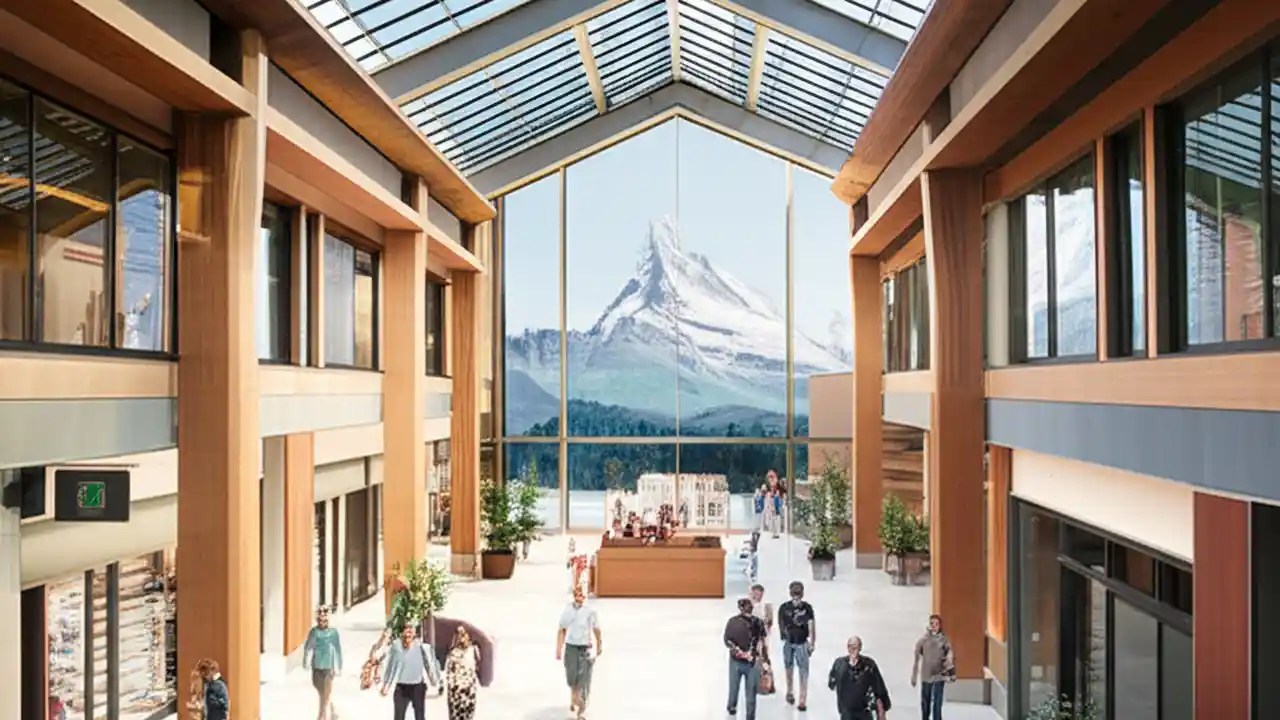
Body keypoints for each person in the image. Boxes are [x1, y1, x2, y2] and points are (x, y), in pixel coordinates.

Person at [556, 586, 602, 720]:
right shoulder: (568, 611)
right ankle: (574, 697)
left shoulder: (590, 611)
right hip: (571, 647)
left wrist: (599, 644)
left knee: (584, 679)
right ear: (574, 596)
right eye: (577, 595)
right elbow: (562, 629)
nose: (579, 598)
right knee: (572, 677)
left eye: (582, 595)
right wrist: (559, 648)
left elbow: (596, 629)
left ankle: (581, 709)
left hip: (585, 648)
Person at [380, 624, 436, 720]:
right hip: (401, 688)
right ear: (402, 632)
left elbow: (428, 663)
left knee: (420, 716)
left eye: (411, 629)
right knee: (399, 717)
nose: (409, 631)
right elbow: (391, 666)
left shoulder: (420, 645)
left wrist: (434, 680)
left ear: (415, 632)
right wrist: (386, 685)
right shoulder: (396, 646)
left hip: (417, 686)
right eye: (406, 629)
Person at [828, 637, 891, 720]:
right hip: (847, 710)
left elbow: (879, 688)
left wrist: (881, 709)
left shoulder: (869, 665)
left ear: (860, 648)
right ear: (847, 647)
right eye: (851, 647)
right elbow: (832, 683)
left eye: (856, 647)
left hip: (864, 710)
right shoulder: (839, 664)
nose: (854, 650)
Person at [724, 597, 765, 719]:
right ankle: (748, 715)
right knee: (750, 691)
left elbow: (727, 641)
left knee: (734, 686)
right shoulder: (758, 622)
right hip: (751, 661)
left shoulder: (732, 622)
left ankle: (732, 708)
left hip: (739, 660)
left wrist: (740, 652)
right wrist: (761, 657)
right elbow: (762, 642)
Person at [778, 580, 816, 711]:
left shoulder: (807, 608)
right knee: (788, 668)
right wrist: (784, 636)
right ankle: (789, 691)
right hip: (789, 642)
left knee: (803, 671)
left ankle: (802, 699)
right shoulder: (784, 608)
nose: (796, 597)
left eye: (798, 594)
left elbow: (811, 625)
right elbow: (781, 625)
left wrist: (812, 642)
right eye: (794, 594)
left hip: (801, 643)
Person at [911, 614, 956, 720]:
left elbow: (950, 655)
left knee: (937, 701)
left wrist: (951, 672)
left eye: (937, 624)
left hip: (939, 674)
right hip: (926, 674)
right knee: (925, 701)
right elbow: (917, 658)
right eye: (932, 623)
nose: (934, 626)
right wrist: (914, 676)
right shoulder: (923, 640)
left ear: (940, 626)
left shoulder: (944, 640)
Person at [304, 606, 344, 720]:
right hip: (316, 666)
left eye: (325, 620)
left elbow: (337, 649)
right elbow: (308, 647)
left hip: (328, 667)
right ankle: (330, 710)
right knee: (321, 692)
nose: (322, 623)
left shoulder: (333, 633)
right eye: (320, 620)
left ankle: (322, 716)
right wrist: (306, 661)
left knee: (325, 693)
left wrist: (338, 666)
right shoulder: (314, 632)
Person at [445, 626, 481, 720]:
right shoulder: (452, 652)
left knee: (469, 715)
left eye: (464, 635)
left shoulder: (473, 649)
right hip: (456, 692)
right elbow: (449, 672)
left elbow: (476, 667)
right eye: (460, 635)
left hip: (469, 690)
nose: (462, 638)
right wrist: (454, 686)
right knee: (456, 716)